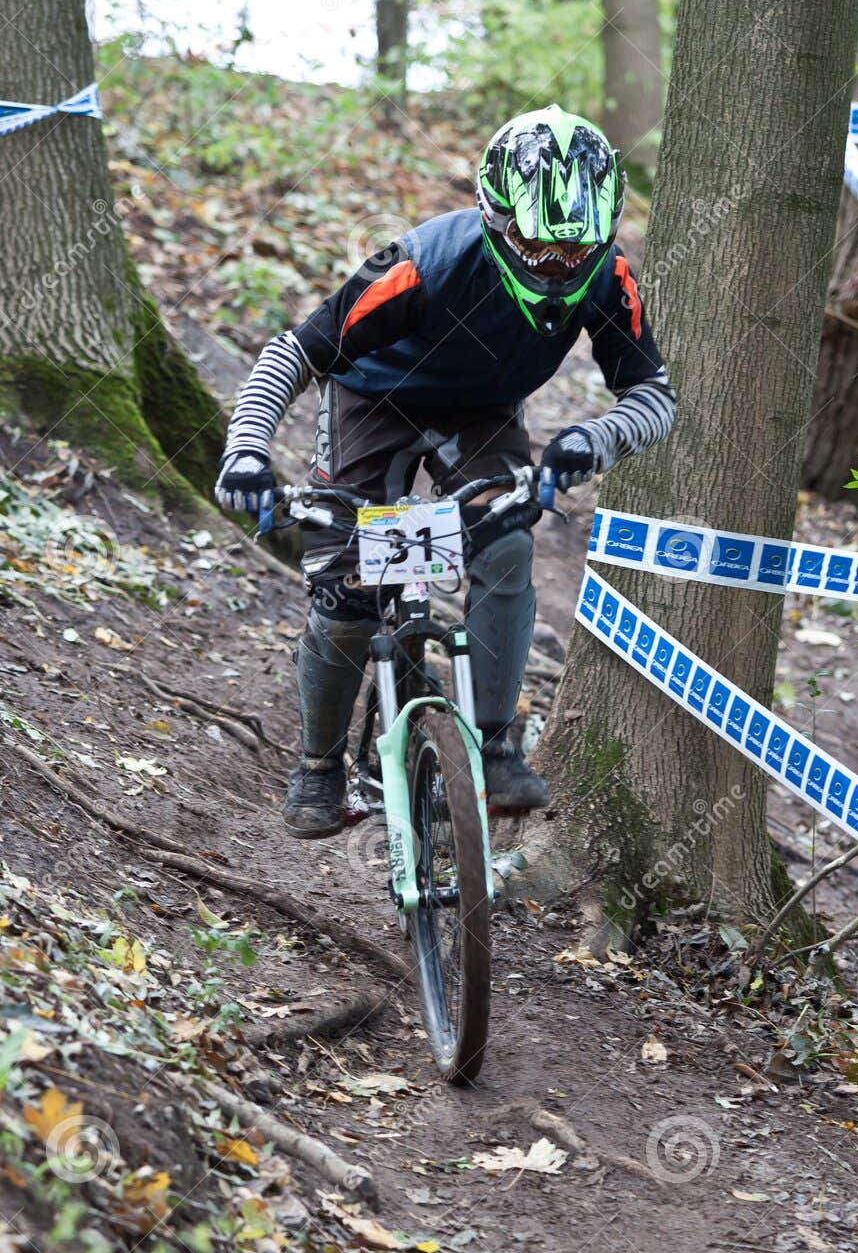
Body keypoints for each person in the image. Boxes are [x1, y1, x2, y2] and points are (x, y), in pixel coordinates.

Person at [214, 104, 676, 838]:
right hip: (374, 401)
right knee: (346, 596)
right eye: (534, 243)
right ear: (495, 220)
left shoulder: (606, 277)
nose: (556, 265)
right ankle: (318, 766)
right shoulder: (422, 263)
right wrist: (245, 450)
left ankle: (495, 746)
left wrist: (595, 438)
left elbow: (652, 397)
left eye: (573, 247)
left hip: (481, 416)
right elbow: (293, 353)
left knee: (507, 541)